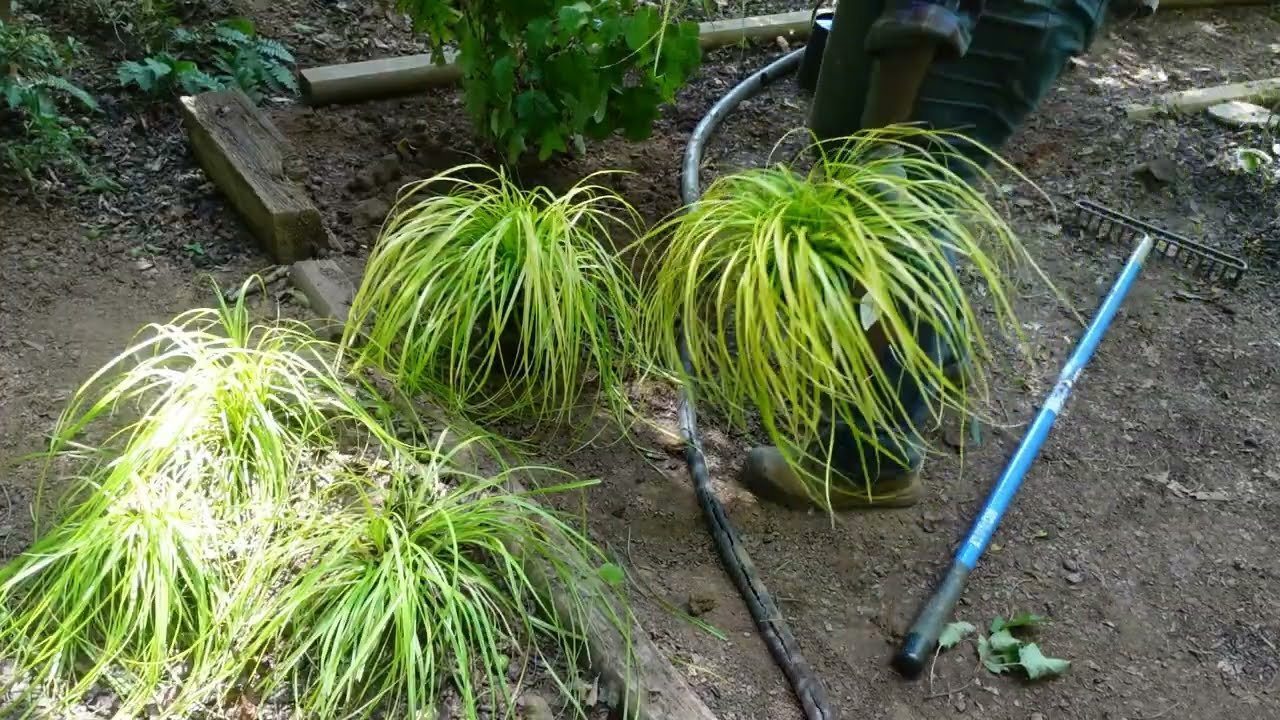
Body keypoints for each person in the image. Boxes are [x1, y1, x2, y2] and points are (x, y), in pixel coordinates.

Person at [736, 0, 1111, 510]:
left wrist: (880, 138)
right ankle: (934, 361)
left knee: (899, 208)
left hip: (975, 17)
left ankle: (869, 461)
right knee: (892, 189)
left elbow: (924, 16)